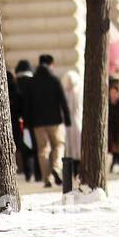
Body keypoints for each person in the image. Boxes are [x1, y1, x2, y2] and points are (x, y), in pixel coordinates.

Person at [26, 54, 72, 188]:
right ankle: (56, 168)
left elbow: (27, 104)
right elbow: (63, 101)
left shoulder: (31, 82)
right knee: (58, 145)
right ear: (51, 65)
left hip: (37, 123)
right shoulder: (54, 80)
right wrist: (67, 118)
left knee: (43, 150)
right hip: (55, 121)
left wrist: (28, 123)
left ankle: (47, 180)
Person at [13, 60, 39, 181]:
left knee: (24, 147)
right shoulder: (34, 83)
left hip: (20, 120)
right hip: (34, 119)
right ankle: (38, 173)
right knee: (36, 146)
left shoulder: (16, 83)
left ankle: (28, 173)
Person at [6, 70, 28, 179]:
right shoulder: (16, 90)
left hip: (5, 122)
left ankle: (11, 165)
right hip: (14, 122)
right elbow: (21, 107)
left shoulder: (2, 90)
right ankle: (15, 165)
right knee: (16, 144)